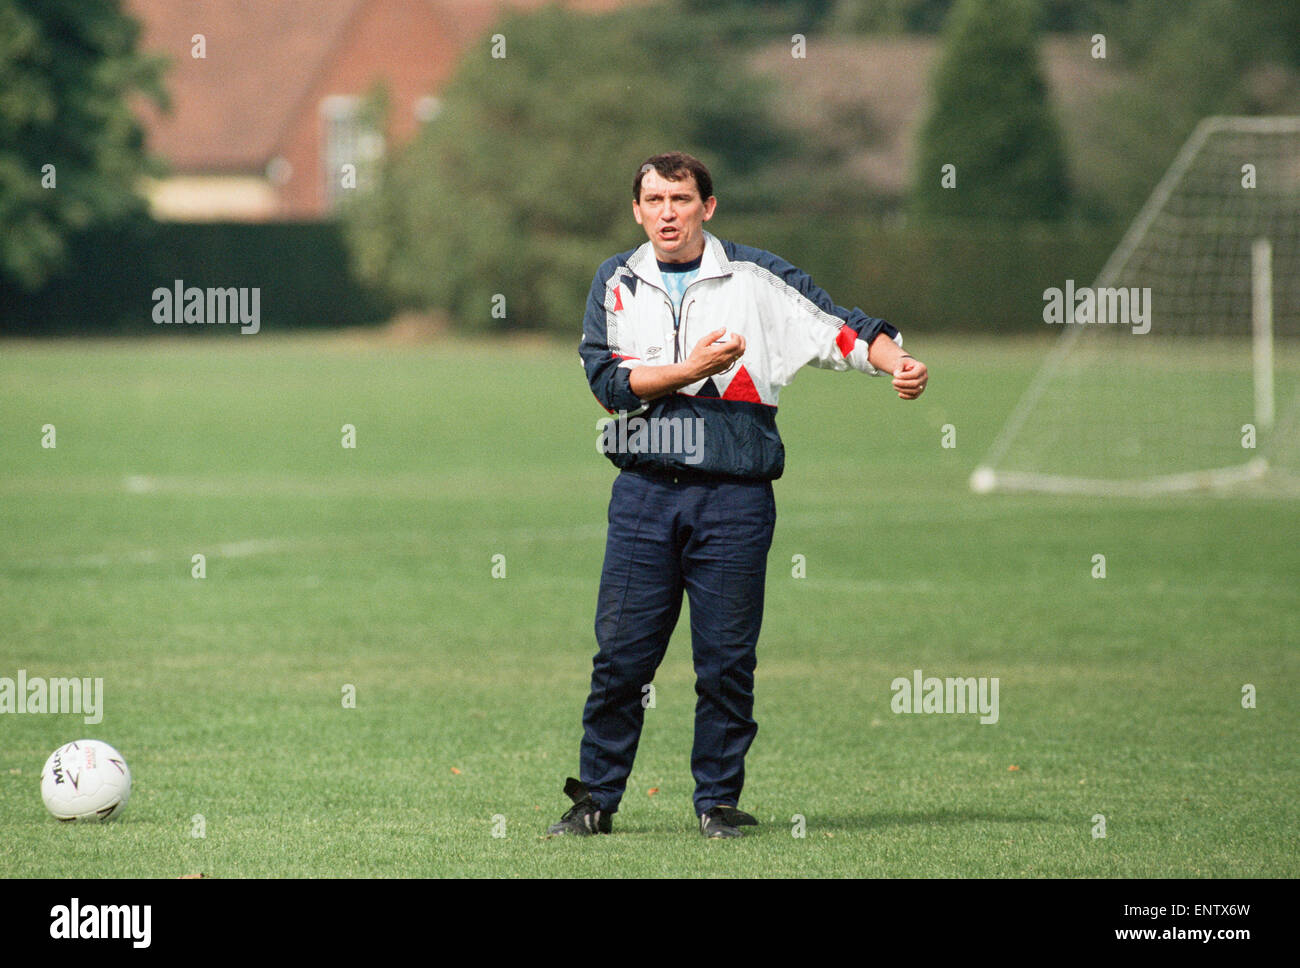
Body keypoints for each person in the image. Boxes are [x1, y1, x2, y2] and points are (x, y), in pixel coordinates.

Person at [550, 151, 927, 839]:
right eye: (655, 200)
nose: (668, 212)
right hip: (642, 497)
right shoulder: (615, 280)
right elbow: (606, 385)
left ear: (708, 207)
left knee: (725, 660)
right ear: (637, 210)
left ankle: (716, 803)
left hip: (734, 499)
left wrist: (896, 363)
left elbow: (841, 330)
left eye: (682, 199)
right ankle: (594, 801)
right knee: (622, 658)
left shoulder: (756, 278)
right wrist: (690, 369)